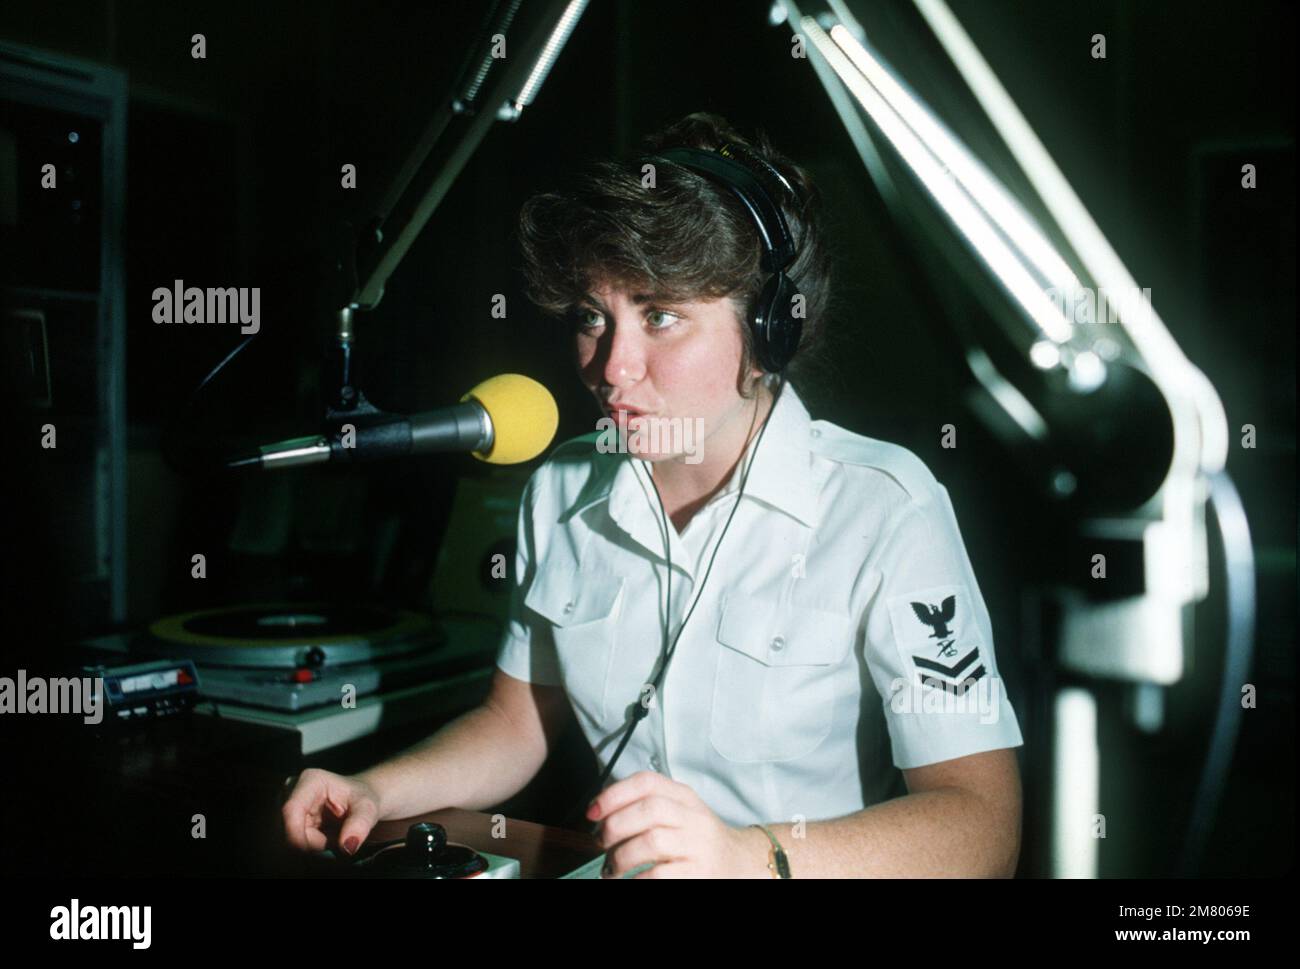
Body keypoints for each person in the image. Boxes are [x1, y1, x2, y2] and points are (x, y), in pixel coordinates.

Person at [283, 112, 1024, 878]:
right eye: (591, 319)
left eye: (661, 315)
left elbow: (982, 824)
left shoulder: (887, 507)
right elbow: (517, 722)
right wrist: (375, 786)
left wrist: (749, 856)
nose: (610, 368)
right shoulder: (560, 488)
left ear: (768, 333)